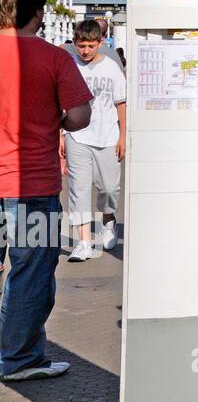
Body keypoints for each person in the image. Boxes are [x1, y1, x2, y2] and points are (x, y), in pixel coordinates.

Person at [0, 0, 92, 381]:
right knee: (31, 274)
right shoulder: (55, 58)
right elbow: (79, 116)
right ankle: (20, 360)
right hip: (32, 186)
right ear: (39, 13)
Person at [63, 19, 126, 263]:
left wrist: (122, 135)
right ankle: (83, 242)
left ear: (101, 42)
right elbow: (62, 102)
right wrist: (61, 134)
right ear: (75, 42)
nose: (86, 51)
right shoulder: (69, 66)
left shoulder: (111, 67)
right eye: (81, 46)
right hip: (76, 136)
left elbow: (121, 102)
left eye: (90, 45)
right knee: (78, 189)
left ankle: (108, 220)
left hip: (108, 135)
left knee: (109, 188)